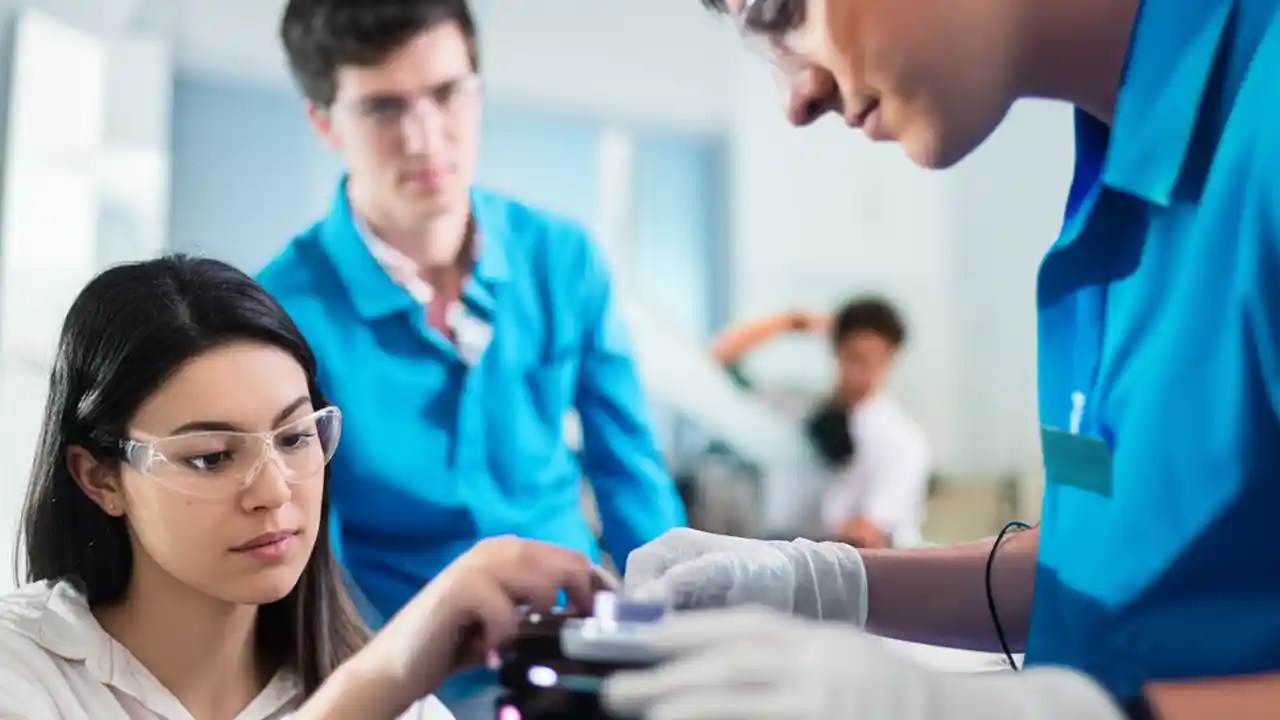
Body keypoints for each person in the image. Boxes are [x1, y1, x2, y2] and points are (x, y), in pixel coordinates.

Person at [605, 0, 1280, 718]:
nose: (795, 99)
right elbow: (1104, 569)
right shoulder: (1110, 203)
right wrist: (822, 584)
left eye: (784, 10)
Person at [260, 0, 685, 713]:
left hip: (580, 639)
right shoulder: (281, 309)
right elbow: (304, 559)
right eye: (385, 108)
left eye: (448, 94)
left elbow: (633, 483)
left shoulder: (563, 258)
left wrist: (686, 631)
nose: (427, 139)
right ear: (324, 122)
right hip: (406, 666)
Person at [0, 256, 605, 720]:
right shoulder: (22, 670)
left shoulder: (395, 703)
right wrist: (382, 679)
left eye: (294, 438)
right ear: (100, 477)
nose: (273, 492)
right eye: (211, 457)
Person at [711, 298, 931, 547]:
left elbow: (868, 533)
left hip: (861, 568)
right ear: (837, 352)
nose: (864, 373)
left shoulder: (901, 439)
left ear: (892, 359)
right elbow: (721, 361)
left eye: (876, 361)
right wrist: (792, 322)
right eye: (855, 358)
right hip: (798, 553)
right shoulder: (805, 409)